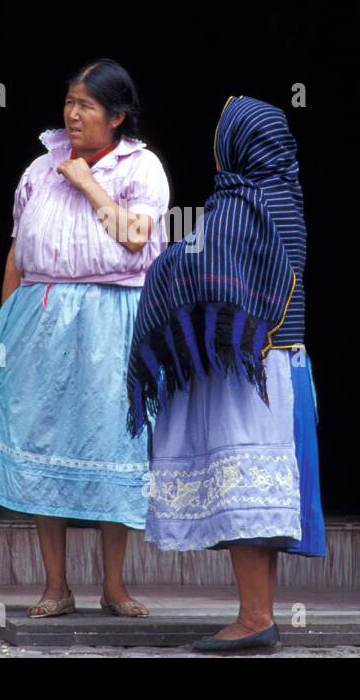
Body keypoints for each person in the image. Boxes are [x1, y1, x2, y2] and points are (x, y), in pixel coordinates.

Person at [0, 59, 170, 619]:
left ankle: (114, 585)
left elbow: (135, 239)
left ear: (117, 116)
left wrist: (86, 183)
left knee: (114, 442)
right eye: (69, 102)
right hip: (39, 315)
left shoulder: (141, 167)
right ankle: (55, 585)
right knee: (41, 440)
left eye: (86, 105)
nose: (73, 114)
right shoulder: (39, 169)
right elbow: (16, 252)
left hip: (112, 319)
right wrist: (3, 331)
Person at [128, 95, 326, 653]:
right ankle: (255, 612)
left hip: (254, 373)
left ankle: (256, 618)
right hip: (280, 363)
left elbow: (204, 268)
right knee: (255, 498)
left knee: (246, 493)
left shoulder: (245, 203)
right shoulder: (284, 194)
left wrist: (166, 269)